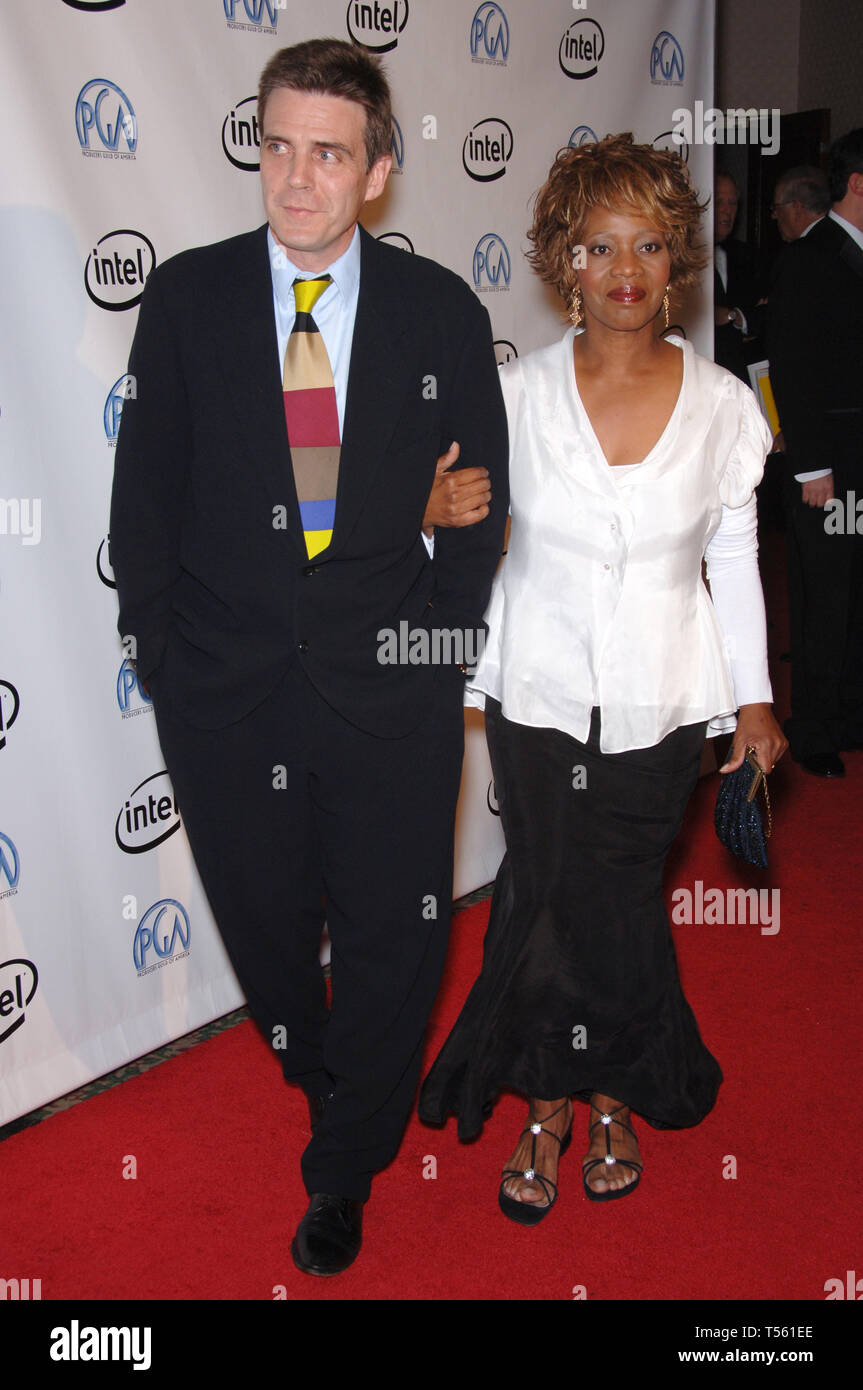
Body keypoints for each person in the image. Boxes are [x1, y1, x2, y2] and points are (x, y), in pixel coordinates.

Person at [110, 38, 508, 1276]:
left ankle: (343, 1163)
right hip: (225, 692)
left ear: (377, 172)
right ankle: (325, 1071)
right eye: (276, 147)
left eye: (326, 154)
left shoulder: (442, 310)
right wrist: (161, 656)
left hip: (389, 685)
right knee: (269, 929)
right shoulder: (184, 298)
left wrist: (435, 650)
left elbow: (480, 504)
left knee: (398, 931)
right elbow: (145, 499)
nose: (294, 178)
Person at [419, 133, 787, 1220]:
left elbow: (731, 559)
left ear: (675, 261)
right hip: (533, 693)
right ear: (562, 263)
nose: (624, 268)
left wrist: (754, 696)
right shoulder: (514, 393)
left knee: (610, 901)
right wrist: (426, 512)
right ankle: (570, 1096)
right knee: (543, 894)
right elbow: (462, 524)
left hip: (666, 697)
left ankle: (584, 1088)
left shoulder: (722, 405)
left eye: (647, 245)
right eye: (597, 246)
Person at [767, 130, 863, 778]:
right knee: (824, 593)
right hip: (827, 463)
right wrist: (811, 468)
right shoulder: (808, 258)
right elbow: (793, 369)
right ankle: (813, 728)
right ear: (858, 184)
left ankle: (851, 714)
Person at [713, 169, 765, 380]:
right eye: (719, 202)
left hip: (740, 376)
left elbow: (765, 312)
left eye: (732, 203)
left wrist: (733, 316)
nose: (727, 211)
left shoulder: (748, 256)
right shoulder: (682, 257)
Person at [770, 165, 829, 245]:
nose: (773, 216)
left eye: (776, 207)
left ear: (797, 208)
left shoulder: (800, 253)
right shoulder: (843, 240)